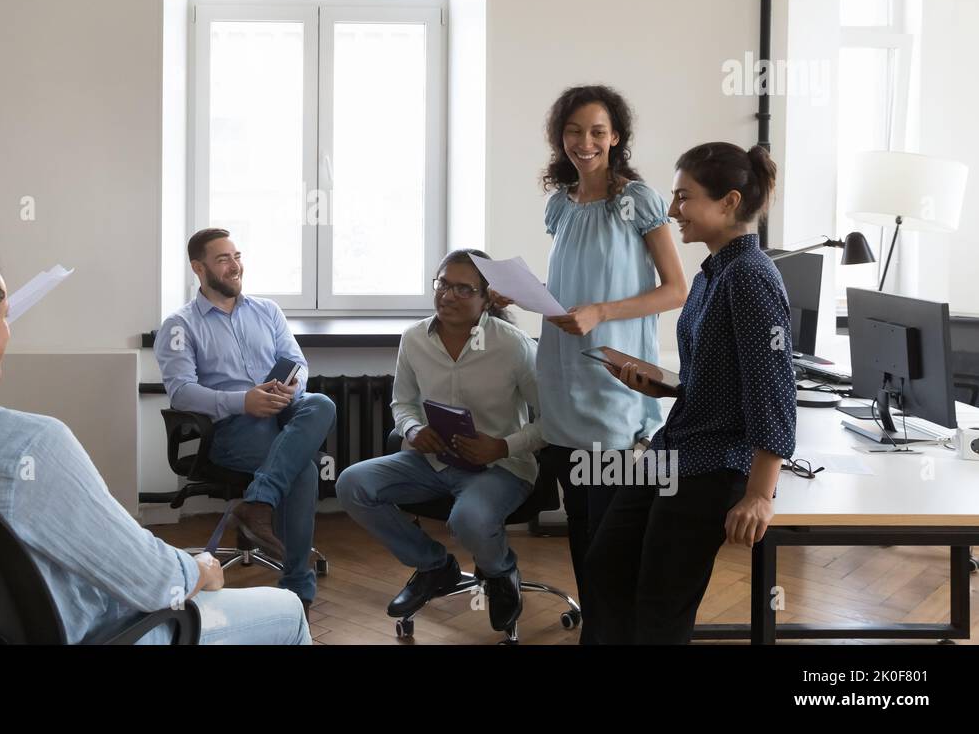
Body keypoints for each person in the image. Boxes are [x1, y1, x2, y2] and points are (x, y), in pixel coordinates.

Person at [0, 232, 309, 645]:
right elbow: (152, 582)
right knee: (286, 611)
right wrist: (199, 568)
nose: (9, 329)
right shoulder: (32, 446)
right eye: (4, 314)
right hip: (103, 635)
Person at [495, 84, 687, 642]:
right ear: (561, 137)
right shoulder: (560, 204)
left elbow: (676, 289)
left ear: (616, 137)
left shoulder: (639, 200)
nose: (585, 142)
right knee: (580, 526)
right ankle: (599, 632)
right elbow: (570, 286)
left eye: (597, 131)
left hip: (615, 387)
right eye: (575, 131)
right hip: (561, 381)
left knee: (612, 536)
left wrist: (603, 311)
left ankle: (611, 634)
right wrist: (524, 294)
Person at [585, 142, 797, 644]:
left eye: (684, 197)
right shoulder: (713, 272)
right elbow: (718, 374)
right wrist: (662, 385)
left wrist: (760, 494)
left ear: (728, 202)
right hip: (676, 449)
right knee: (606, 567)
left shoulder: (748, 277)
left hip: (713, 464)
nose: (673, 210)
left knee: (661, 605)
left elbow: (773, 391)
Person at [335, 250, 542, 633]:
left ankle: (500, 572)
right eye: (443, 283)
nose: (448, 295)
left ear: (487, 297)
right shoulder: (414, 338)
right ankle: (434, 566)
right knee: (352, 483)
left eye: (464, 289)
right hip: (431, 462)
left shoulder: (514, 346)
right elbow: (403, 403)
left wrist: (502, 446)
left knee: (468, 519)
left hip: (498, 468)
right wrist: (413, 430)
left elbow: (553, 420)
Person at [154, 228, 336, 617]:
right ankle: (296, 587)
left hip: (283, 410)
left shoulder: (267, 311)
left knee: (321, 403)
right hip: (233, 427)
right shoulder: (179, 325)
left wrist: (291, 387)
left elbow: (298, 362)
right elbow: (182, 392)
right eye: (223, 259)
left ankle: (257, 500)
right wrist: (244, 401)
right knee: (302, 469)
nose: (235, 266)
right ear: (198, 268)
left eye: (237, 256)